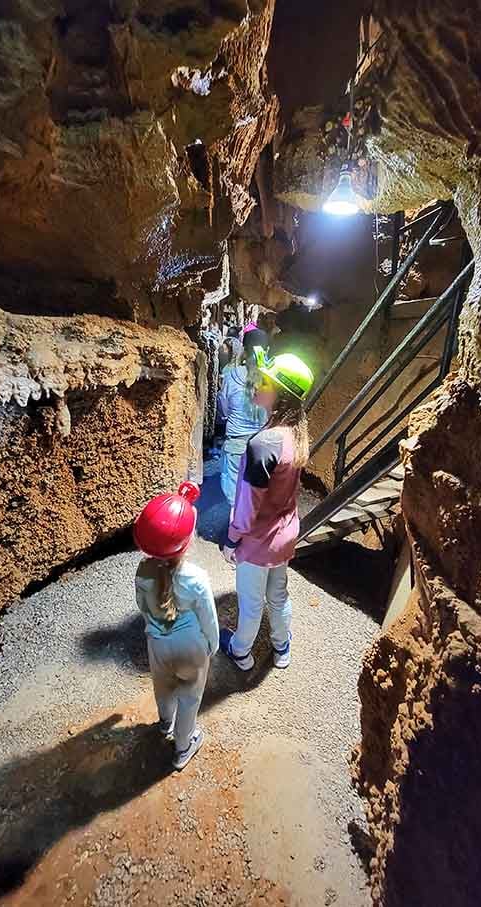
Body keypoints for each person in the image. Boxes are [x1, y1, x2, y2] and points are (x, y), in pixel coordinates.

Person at [218, 347, 314, 671]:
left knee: (251, 602)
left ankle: (241, 651)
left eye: (267, 382)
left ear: (281, 394)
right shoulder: (296, 435)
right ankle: (281, 646)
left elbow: (248, 506)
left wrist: (232, 539)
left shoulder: (263, 444)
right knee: (278, 595)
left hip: (259, 540)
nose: (259, 384)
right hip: (285, 534)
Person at [133, 481, 219, 770]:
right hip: (191, 648)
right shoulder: (196, 578)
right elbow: (208, 618)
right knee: (190, 698)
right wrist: (212, 645)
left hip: (157, 643)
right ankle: (184, 748)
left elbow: (143, 608)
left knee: (164, 687)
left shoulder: (142, 572)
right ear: (188, 540)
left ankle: (164, 723)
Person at [217, 329, 270, 513]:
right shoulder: (270, 377)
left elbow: (223, 408)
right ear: (267, 350)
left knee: (234, 497)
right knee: (255, 492)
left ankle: (234, 537)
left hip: (236, 443)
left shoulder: (231, 374)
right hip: (262, 443)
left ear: (244, 351)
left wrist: (227, 418)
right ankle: (250, 532)